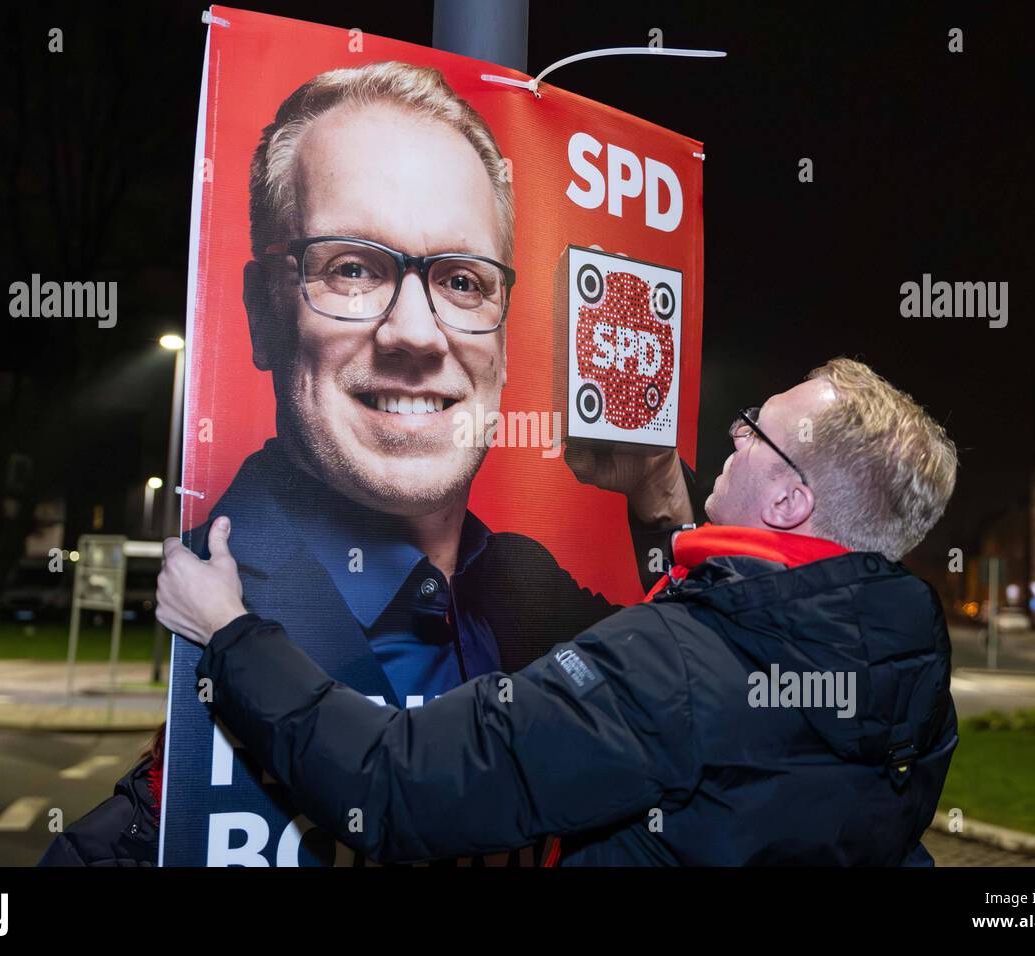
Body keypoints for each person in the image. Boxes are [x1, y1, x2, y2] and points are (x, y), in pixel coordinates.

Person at [39, 60, 694, 866]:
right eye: (352, 267)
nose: (415, 334)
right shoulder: (225, 590)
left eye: (461, 280)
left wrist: (659, 494)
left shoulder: (528, 587)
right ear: (260, 312)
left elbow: (697, 691)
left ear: (504, 334)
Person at [157, 358, 961, 866]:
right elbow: (745, 648)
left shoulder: (668, 668)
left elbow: (395, 786)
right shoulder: (907, 665)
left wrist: (228, 632)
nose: (734, 432)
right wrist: (658, 506)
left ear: (788, 498)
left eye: (757, 431)